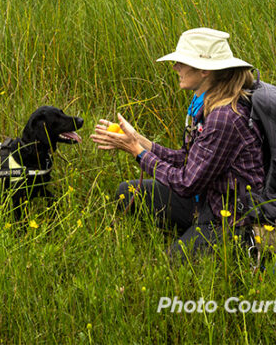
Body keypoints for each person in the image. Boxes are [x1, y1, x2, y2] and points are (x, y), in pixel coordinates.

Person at [90, 27, 265, 258]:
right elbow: (188, 158)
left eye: (181, 62)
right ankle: (194, 233)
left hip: (231, 217)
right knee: (127, 193)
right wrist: (140, 141)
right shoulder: (205, 101)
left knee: (170, 266)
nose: (175, 68)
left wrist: (137, 151)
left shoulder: (224, 117)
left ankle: (241, 243)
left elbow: (186, 183)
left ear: (204, 69)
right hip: (207, 200)